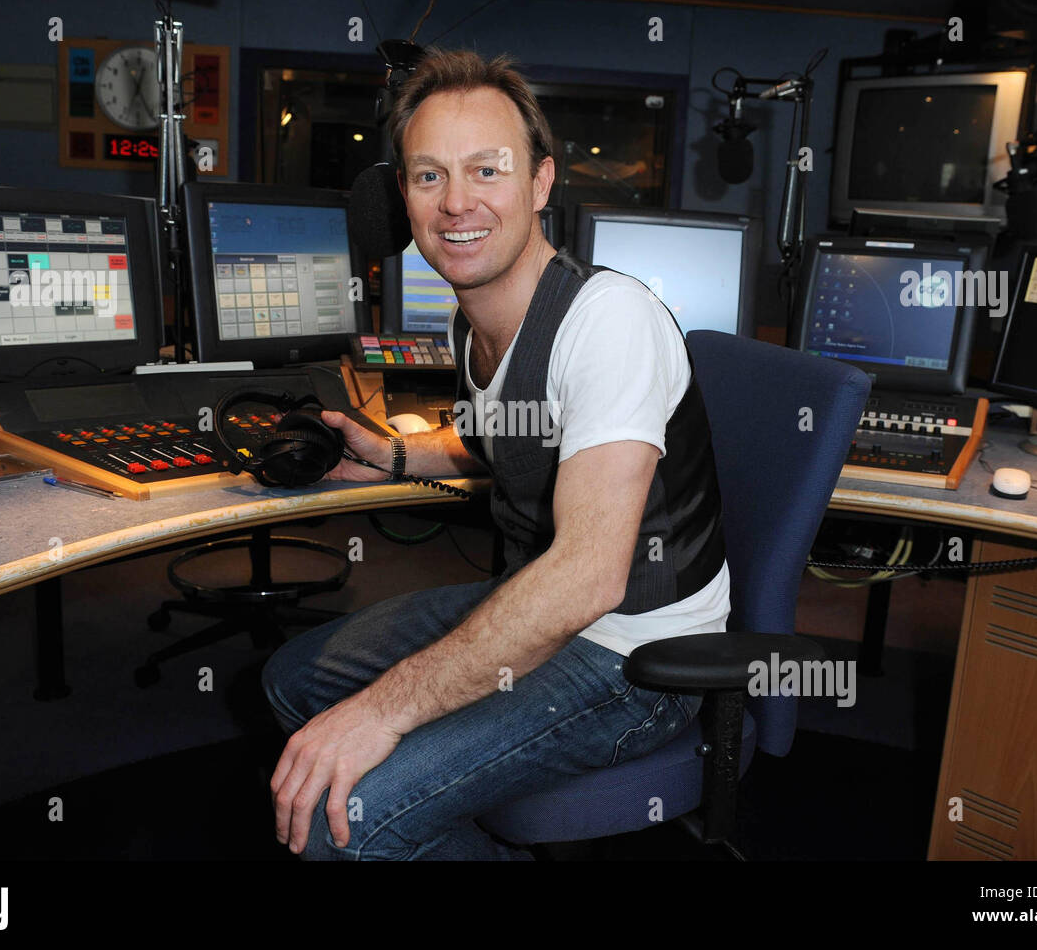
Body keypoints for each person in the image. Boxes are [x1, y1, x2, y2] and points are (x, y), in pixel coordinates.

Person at [262, 47, 730, 860]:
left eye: (487, 169)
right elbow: (506, 440)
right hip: (539, 599)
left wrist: (385, 711)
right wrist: (394, 455)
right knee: (291, 681)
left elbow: (588, 576)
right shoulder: (470, 324)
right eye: (429, 176)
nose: (456, 203)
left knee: (343, 819)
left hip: (638, 659)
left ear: (541, 183)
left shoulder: (609, 320)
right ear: (403, 197)